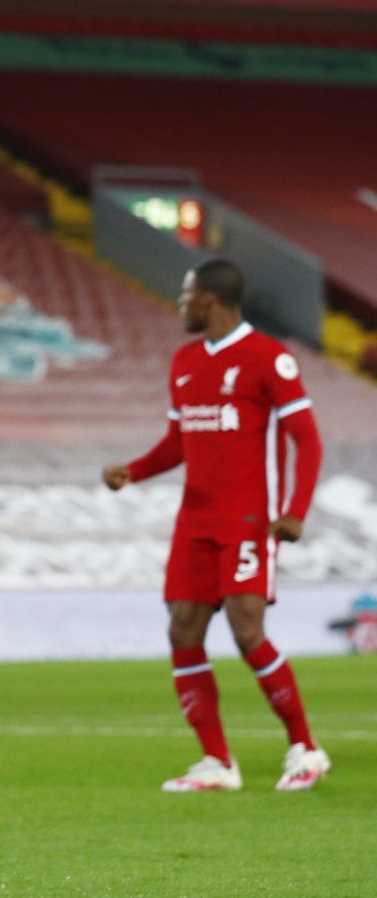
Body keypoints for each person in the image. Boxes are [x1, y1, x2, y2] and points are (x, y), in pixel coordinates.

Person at [104, 259, 329, 793]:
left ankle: (305, 748)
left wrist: (295, 510)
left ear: (210, 299)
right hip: (196, 520)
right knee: (182, 628)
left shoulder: (268, 357)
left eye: (186, 297)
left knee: (247, 630)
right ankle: (217, 762)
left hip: (250, 518)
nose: (180, 306)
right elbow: (179, 442)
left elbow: (308, 439)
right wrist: (133, 471)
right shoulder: (184, 361)